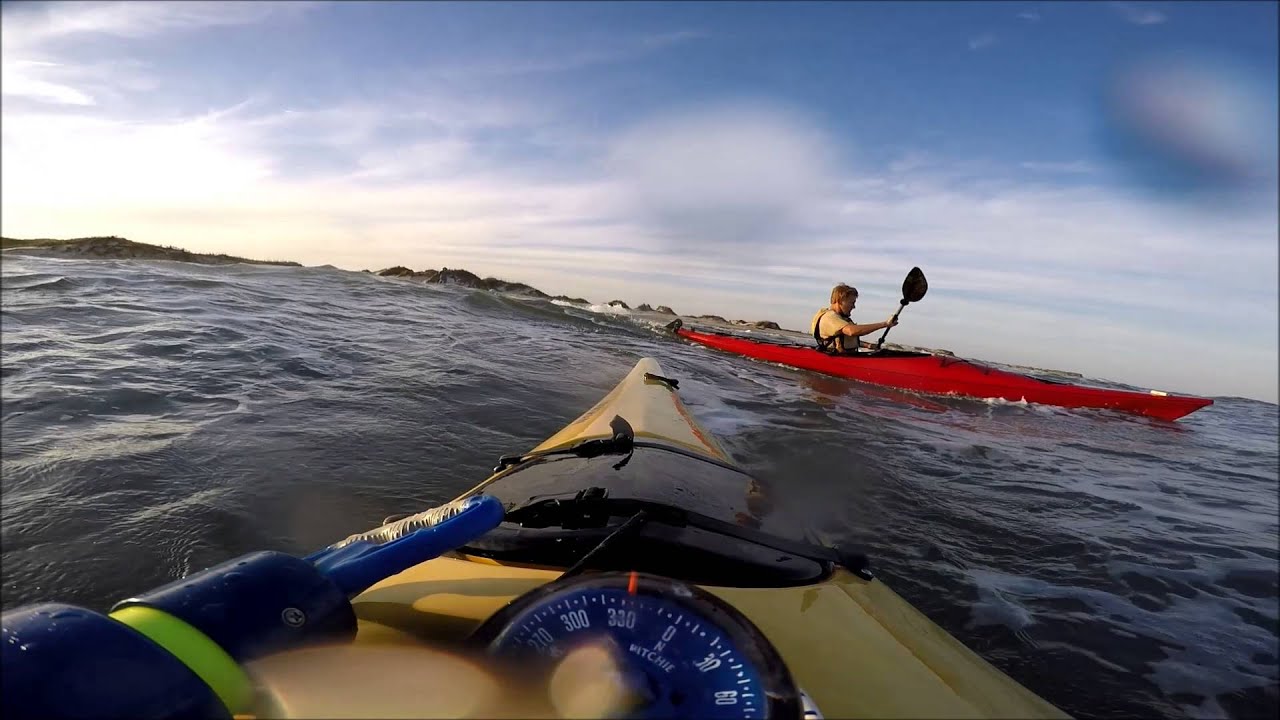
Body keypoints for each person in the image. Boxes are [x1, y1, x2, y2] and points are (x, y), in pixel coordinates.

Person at [810, 283, 897, 354]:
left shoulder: (841, 318)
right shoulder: (829, 317)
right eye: (852, 302)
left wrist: (868, 345)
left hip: (847, 356)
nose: (854, 306)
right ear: (841, 300)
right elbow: (851, 331)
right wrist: (885, 324)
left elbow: (844, 339)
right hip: (836, 357)